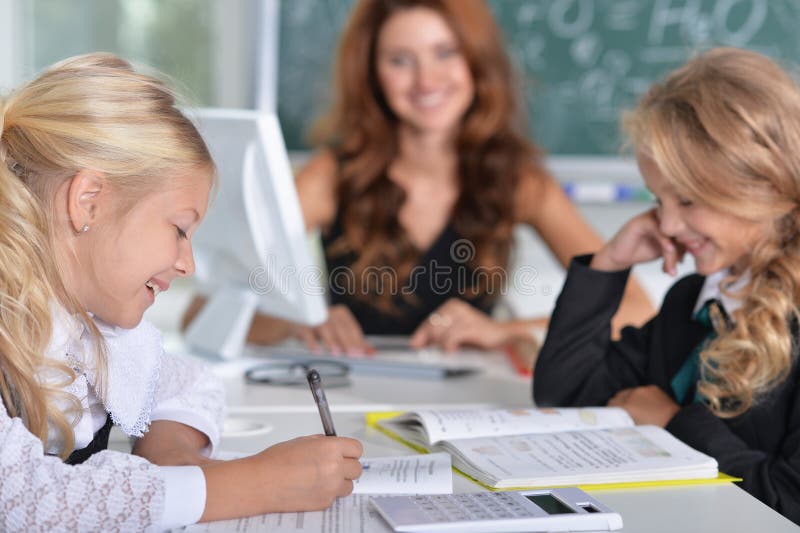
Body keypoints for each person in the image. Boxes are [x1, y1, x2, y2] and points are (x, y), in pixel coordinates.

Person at [0, 53, 362, 531]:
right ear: (88, 201)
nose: (187, 265)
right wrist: (257, 483)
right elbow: (22, 500)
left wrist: (170, 452)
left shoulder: (88, 327)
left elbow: (188, 382)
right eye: (179, 229)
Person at [187, 0, 653, 356]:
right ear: (372, 76)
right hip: (356, 401)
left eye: (444, 53)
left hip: (475, 408)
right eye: (400, 60)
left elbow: (635, 307)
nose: (426, 81)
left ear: (475, 63)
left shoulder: (519, 182)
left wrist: (506, 331)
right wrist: (295, 324)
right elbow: (199, 314)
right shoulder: (331, 178)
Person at [533, 47, 800, 523]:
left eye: (689, 200)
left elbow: (788, 504)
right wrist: (610, 263)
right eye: (658, 199)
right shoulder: (694, 300)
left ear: (761, 184)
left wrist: (676, 424)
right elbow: (567, 392)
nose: (669, 224)